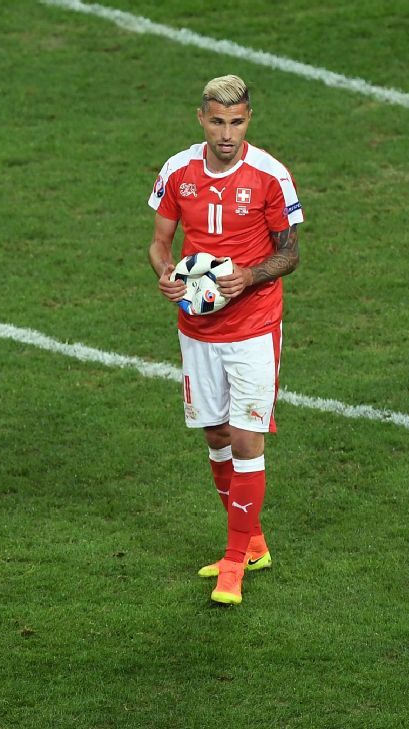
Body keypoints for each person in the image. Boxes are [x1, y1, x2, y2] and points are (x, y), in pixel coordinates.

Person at [147, 75, 304, 605]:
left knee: (245, 439)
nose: (227, 133)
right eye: (217, 121)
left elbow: (290, 254)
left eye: (236, 122)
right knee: (215, 435)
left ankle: (234, 562)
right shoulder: (177, 171)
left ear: (248, 120)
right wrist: (166, 273)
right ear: (201, 118)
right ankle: (253, 541)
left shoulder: (270, 177)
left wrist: (251, 276)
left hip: (254, 326)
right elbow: (159, 244)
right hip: (197, 327)